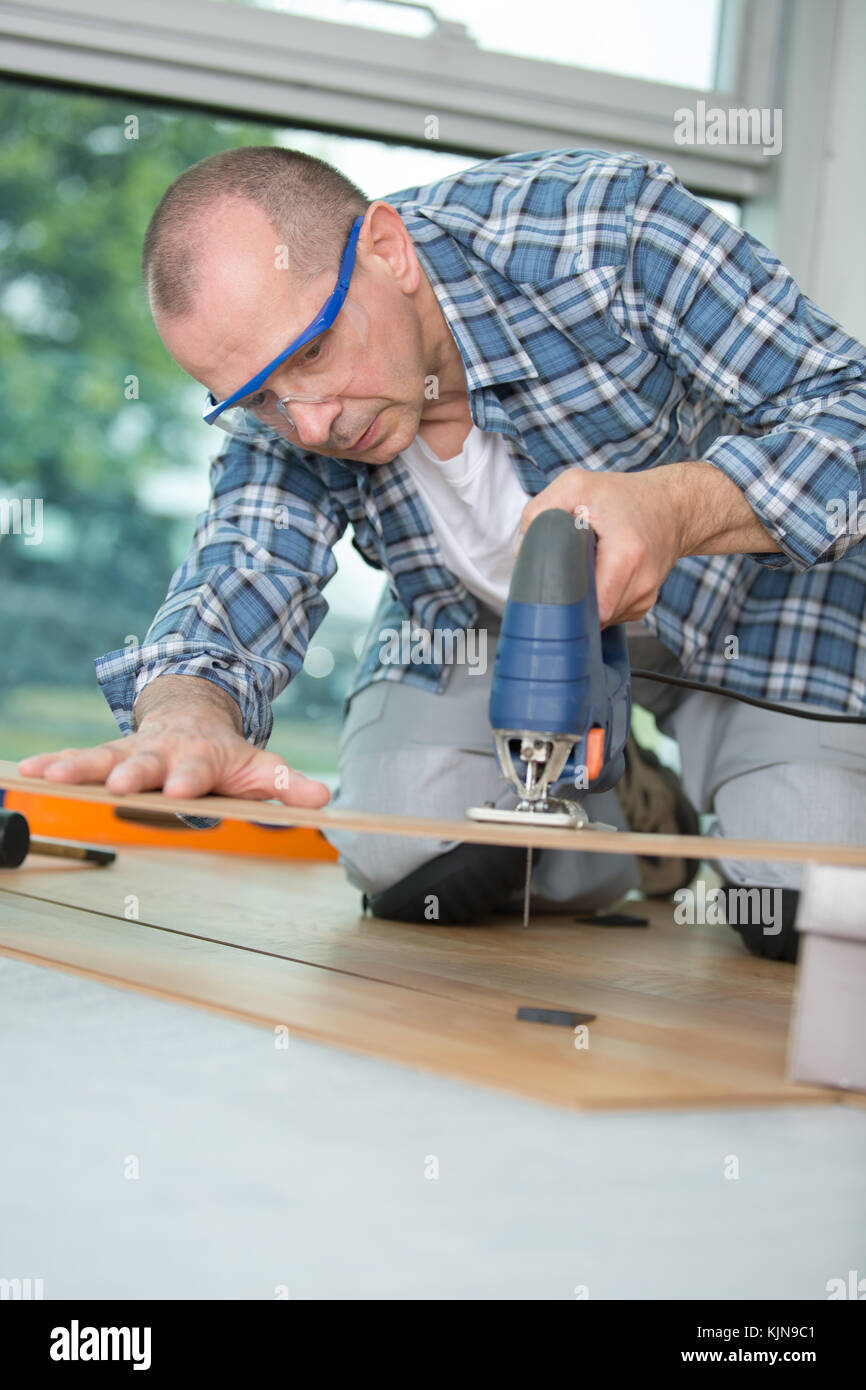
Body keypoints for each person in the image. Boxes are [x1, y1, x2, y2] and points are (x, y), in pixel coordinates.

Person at [19, 146, 866, 959]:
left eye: (312, 352)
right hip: (484, 629)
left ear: (389, 250)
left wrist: (678, 506)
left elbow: (850, 408)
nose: (312, 423)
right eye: (259, 397)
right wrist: (185, 716)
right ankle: (633, 822)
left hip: (753, 604)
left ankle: (743, 803)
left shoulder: (609, 231)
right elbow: (245, 560)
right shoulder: (294, 405)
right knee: (412, 857)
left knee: (807, 895)